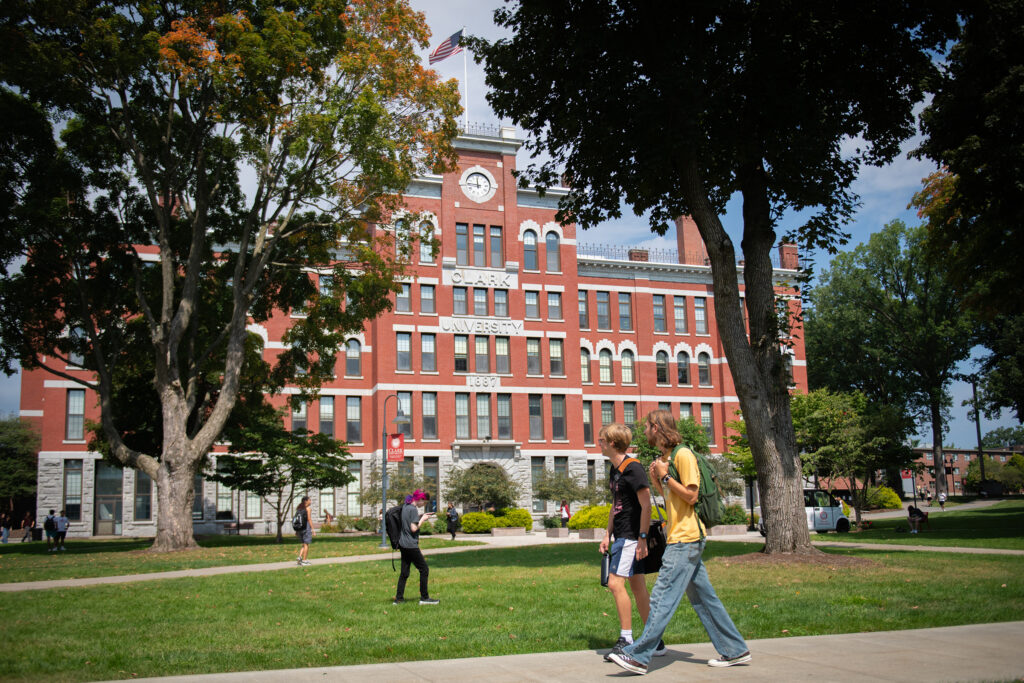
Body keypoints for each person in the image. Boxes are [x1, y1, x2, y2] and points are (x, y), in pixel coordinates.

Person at [609, 410, 750, 675]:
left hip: (686, 538)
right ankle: (734, 649)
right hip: (680, 537)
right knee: (704, 599)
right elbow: (672, 498)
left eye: (647, 427)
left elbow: (692, 496)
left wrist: (665, 477)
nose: (645, 431)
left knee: (662, 596)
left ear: (657, 428)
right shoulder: (667, 458)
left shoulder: (683, 454)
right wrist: (658, 479)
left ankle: (638, 656)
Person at [597, 423, 664, 661]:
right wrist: (607, 534)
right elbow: (616, 505)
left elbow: (646, 506)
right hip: (620, 535)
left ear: (612, 443)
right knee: (637, 588)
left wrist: (642, 538)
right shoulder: (614, 469)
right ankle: (655, 642)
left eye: (601, 440)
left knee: (615, 584)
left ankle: (626, 639)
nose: (599, 443)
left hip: (631, 537)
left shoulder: (633, 468)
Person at [394, 489, 439, 605]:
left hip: (403, 544)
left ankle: (398, 599)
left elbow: (408, 522)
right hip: (411, 545)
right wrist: (422, 519)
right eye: (424, 502)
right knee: (424, 569)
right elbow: (413, 528)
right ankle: (424, 598)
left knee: (404, 572)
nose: (423, 505)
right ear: (420, 499)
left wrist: (419, 517)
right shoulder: (413, 509)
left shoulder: (405, 507)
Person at [295, 496, 314, 566]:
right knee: (306, 544)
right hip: (306, 528)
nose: (310, 501)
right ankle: (304, 560)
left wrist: (297, 530)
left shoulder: (299, 508)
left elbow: (297, 520)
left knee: (303, 544)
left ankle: (300, 557)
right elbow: (309, 519)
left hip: (300, 528)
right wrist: (313, 529)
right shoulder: (308, 509)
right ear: (306, 501)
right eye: (309, 500)